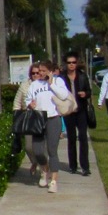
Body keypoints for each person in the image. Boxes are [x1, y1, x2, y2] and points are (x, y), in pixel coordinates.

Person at [26, 60, 73, 193]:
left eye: (43, 71)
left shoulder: (58, 82)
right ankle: (44, 169)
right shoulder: (34, 84)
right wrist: (30, 104)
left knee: (52, 151)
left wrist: (51, 82)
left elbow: (64, 95)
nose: (40, 73)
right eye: (39, 71)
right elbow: (28, 98)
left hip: (53, 118)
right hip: (38, 119)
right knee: (38, 150)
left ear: (50, 71)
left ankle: (53, 180)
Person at [62, 53, 92, 176]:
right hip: (69, 112)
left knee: (83, 138)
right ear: (66, 64)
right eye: (69, 63)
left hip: (81, 111)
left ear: (76, 63)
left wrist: (85, 94)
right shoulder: (62, 78)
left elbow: (89, 91)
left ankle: (85, 167)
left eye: (73, 62)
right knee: (71, 139)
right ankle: (73, 166)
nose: (71, 65)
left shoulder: (82, 76)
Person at [12, 63, 40, 180]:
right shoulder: (24, 86)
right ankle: (34, 162)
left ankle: (44, 168)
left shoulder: (46, 85)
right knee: (28, 147)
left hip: (42, 118)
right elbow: (17, 103)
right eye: (33, 73)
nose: (35, 75)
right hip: (28, 118)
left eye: (37, 73)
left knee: (41, 147)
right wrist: (16, 115)